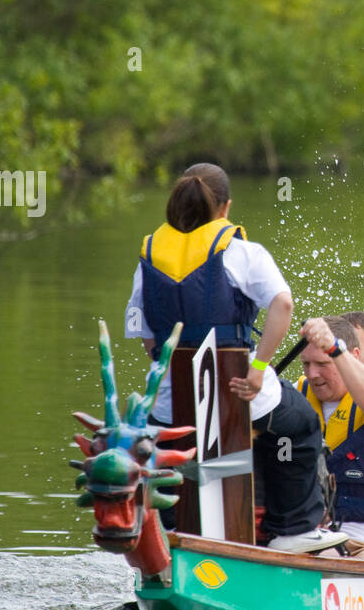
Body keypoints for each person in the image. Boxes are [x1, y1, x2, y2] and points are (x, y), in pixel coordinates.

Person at [125, 163, 340, 552]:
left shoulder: (149, 258)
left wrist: (174, 369)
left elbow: (144, 335)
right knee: (301, 425)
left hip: (172, 402)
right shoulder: (242, 252)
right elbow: (283, 304)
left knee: (165, 451)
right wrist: (258, 368)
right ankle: (292, 530)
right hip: (240, 392)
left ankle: (171, 533)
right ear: (225, 208)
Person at [296, 315, 364, 558]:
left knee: (330, 559)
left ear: (351, 358)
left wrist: (335, 349)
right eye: (306, 364)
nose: (312, 374)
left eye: (322, 364)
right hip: (307, 537)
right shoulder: (296, 394)